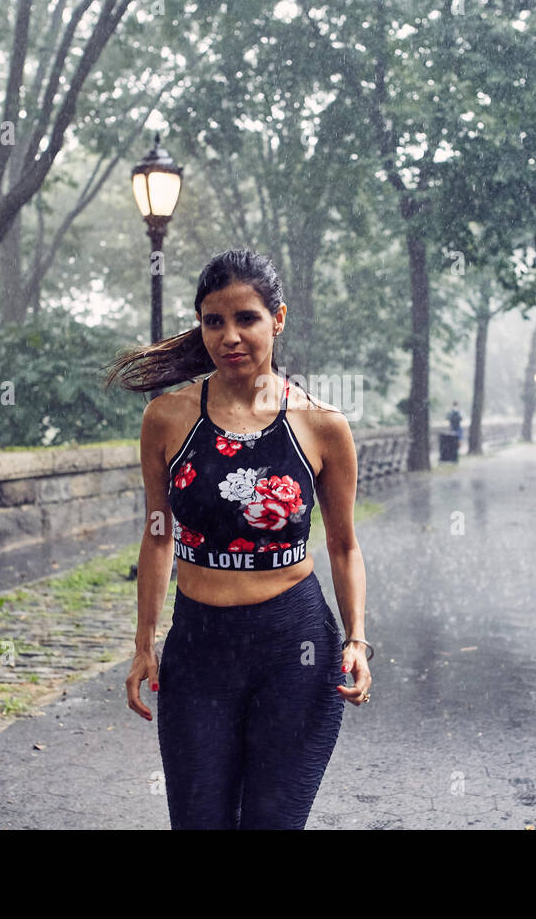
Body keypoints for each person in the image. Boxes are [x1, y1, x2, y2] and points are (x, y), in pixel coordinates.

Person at [103, 249, 372, 830]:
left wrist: (357, 639)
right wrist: (145, 642)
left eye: (246, 318)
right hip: (199, 648)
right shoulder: (168, 418)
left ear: (278, 318)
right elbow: (157, 536)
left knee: (273, 821)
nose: (229, 336)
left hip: (294, 648)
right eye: (213, 321)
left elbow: (344, 546)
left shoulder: (321, 425)